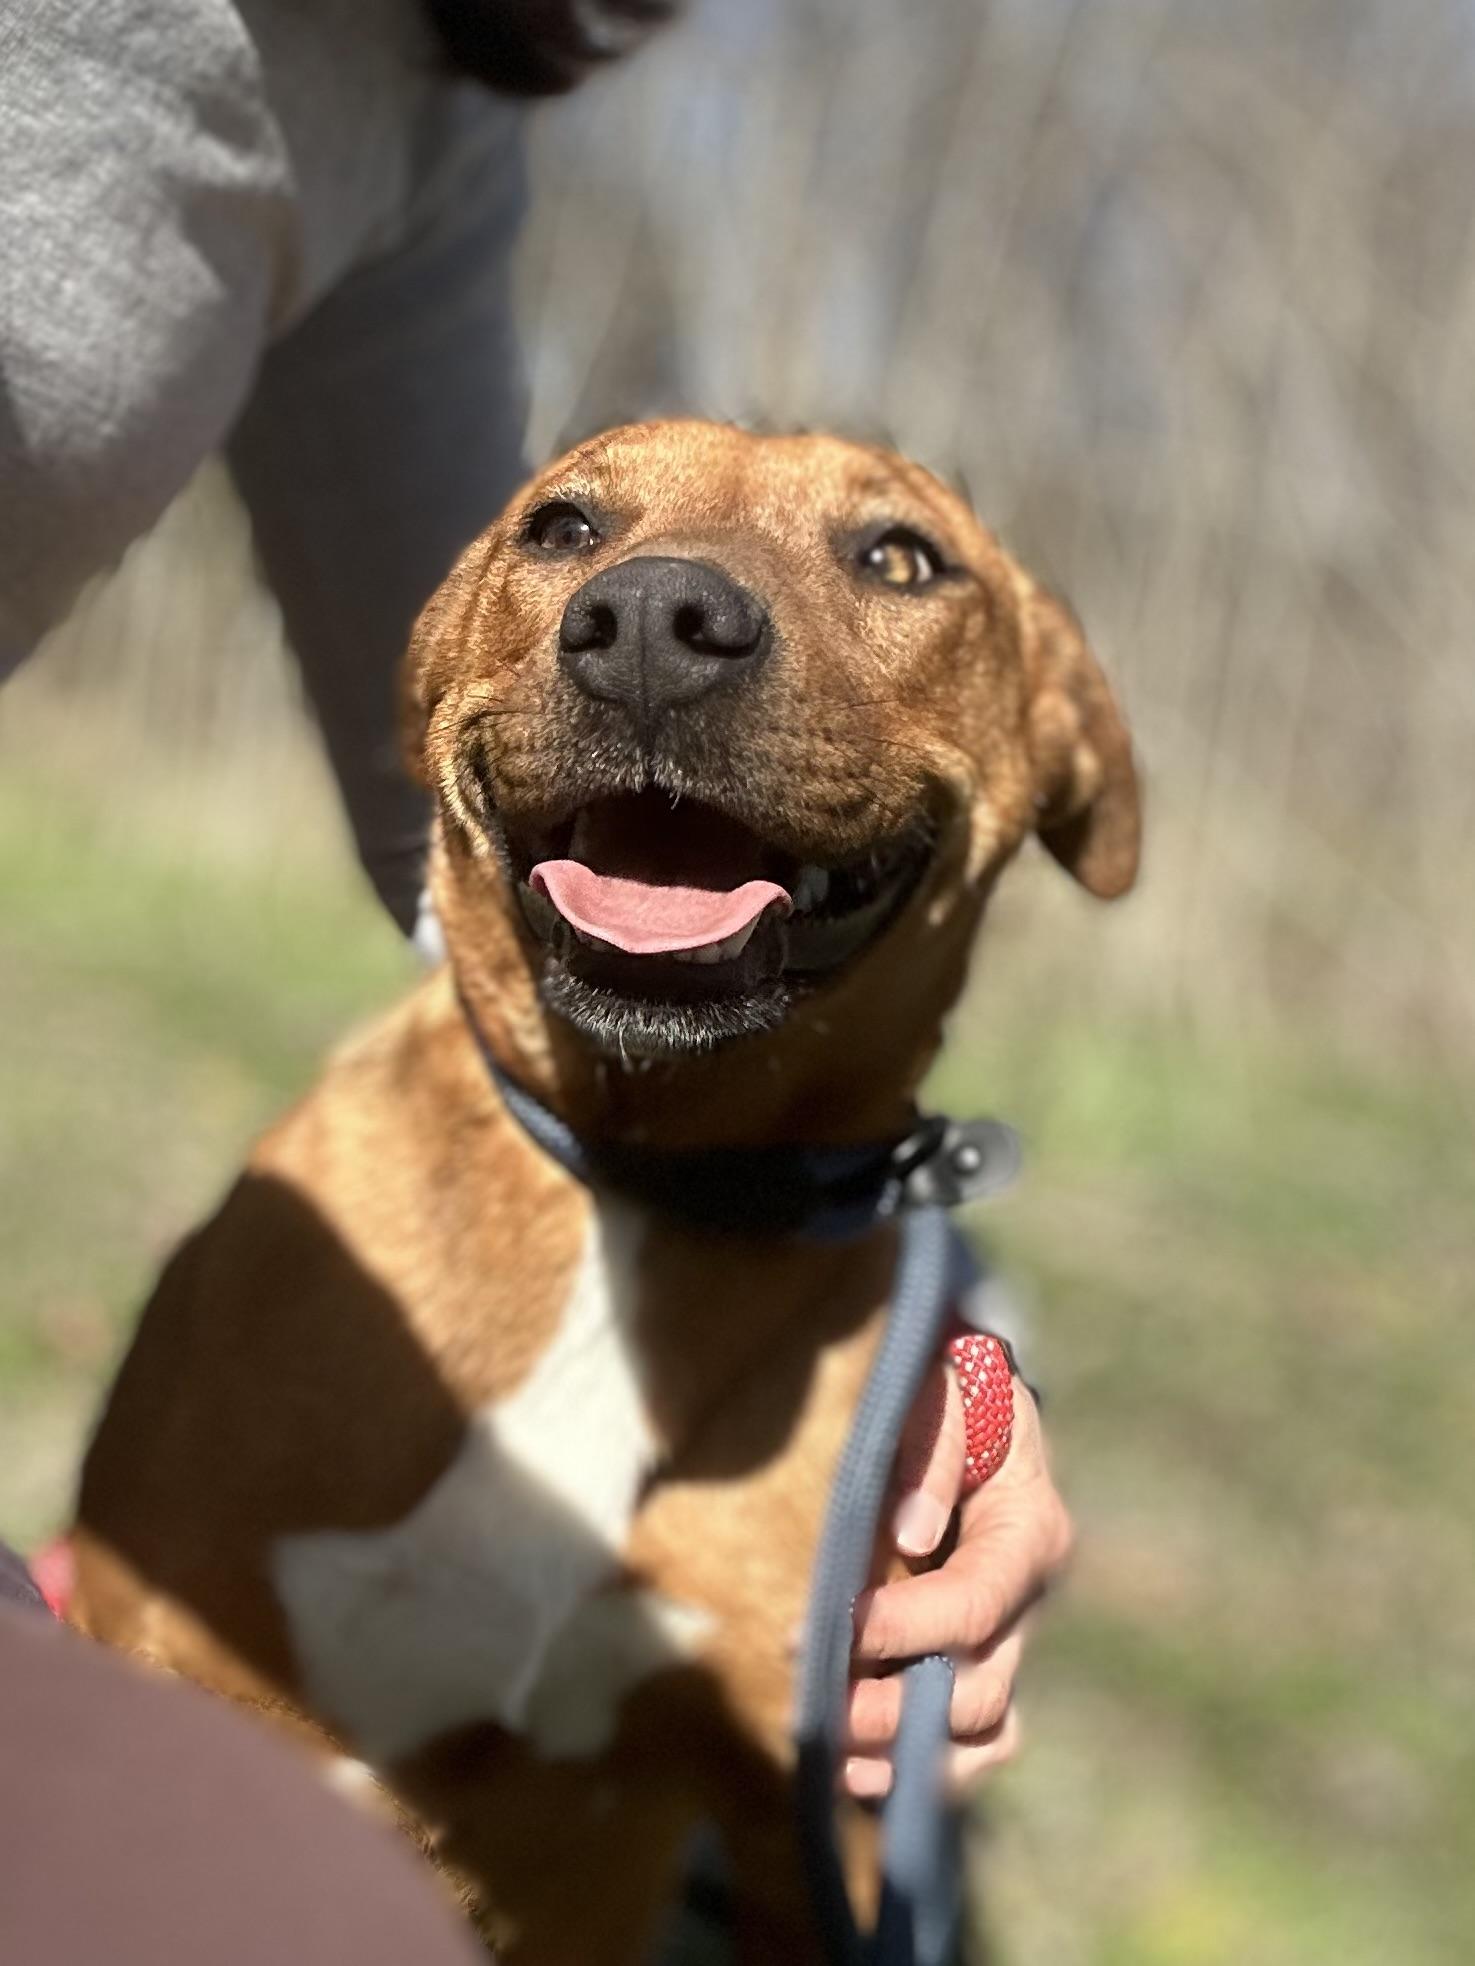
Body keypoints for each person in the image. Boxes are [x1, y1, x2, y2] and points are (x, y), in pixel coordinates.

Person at [0, 0, 1069, 1853]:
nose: (665, 609)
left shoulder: (424, 111)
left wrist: (947, 1358)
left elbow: (448, 845)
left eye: (888, 558)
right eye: (582, 536)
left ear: (1069, 760)